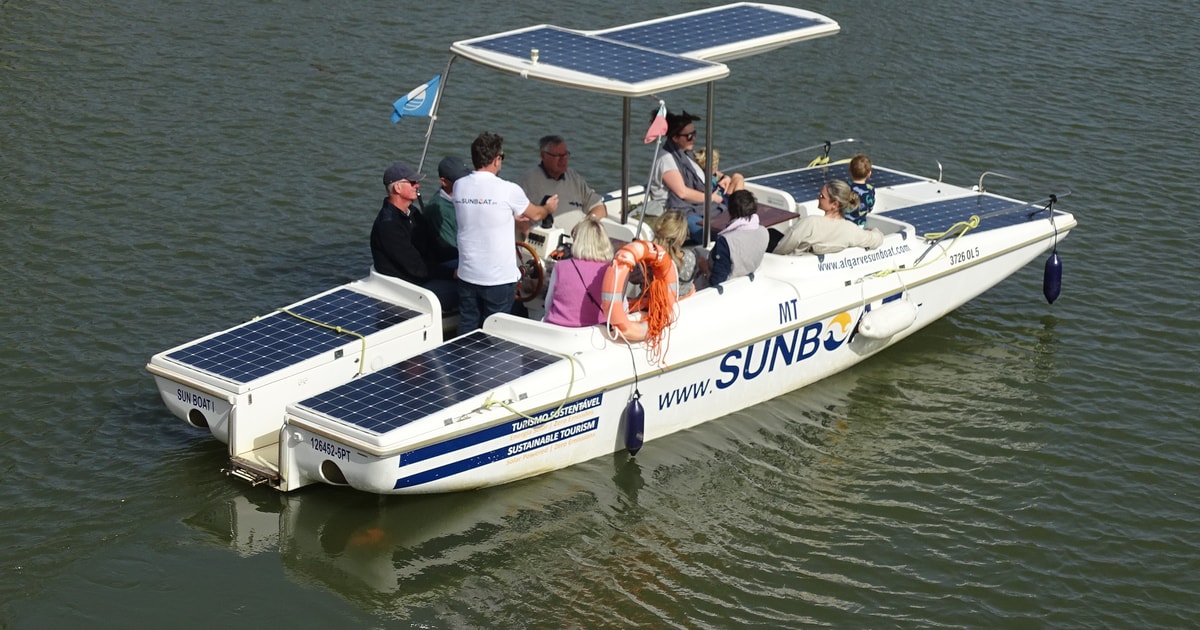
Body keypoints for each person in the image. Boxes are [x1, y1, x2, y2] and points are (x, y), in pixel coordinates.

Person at [454, 131, 558, 333]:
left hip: (467, 274)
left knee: (467, 327)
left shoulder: (460, 185)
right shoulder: (508, 190)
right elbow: (536, 214)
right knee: (495, 332)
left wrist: (508, 215)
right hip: (498, 280)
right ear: (496, 160)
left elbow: (479, 211)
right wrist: (548, 207)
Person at [644, 109, 744, 243]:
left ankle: (740, 231)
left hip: (702, 203)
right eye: (689, 136)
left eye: (694, 134)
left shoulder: (686, 154)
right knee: (710, 233)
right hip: (682, 210)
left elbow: (702, 172)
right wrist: (711, 198)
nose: (694, 138)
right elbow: (682, 193)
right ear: (675, 138)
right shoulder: (666, 159)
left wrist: (723, 177)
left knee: (737, 181)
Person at [370, 162, 458, 310]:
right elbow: (417, 268)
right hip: (410, 288)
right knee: (471, 289)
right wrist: (454, 274)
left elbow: (435, 246)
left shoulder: (412, 213)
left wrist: (464, 257)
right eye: (412, 183)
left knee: (471, 270)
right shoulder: (388, 225)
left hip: (425, 274)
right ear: (397, 188)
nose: (417, 186)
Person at [517, 135, 607, 234]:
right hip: (548, 245)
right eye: (558, 156)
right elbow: (516, 219)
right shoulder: (528, 181)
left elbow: (599, 208)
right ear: (543, 156)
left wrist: (586, 225)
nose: (563, 160)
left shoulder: (574, 178)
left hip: (580, 241)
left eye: (565, 155)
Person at [773, 179, 884, 255]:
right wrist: (874, 230)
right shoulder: (851, 229)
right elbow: (877, 239)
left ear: (834, 204)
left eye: (822, 196)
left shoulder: (810, 223)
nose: (817, 197)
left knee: (770, 233)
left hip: (794, 266)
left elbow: (782, 249)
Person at [542, 216, 614, 327]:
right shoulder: (612, 271)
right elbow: (621, 309)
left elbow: (548, 305)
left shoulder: (560, 267)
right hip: (593, 334)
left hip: (556, 330)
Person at [708, 190, 768, 286]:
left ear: (730, 211)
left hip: (729, 286)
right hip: (748, 279)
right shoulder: (764, 232)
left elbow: (717, 282)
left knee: (697, 253)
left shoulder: (725, 241)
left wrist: (703, 267)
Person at [423, 155, 472, 255]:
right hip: (449, 259)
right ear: (444, 182)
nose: (466, 183)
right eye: (459, 180)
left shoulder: (466, 198)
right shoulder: (438, 210)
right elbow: (450, 249)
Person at [652, 211, 700, 299]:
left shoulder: (650, 262)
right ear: (682, 237)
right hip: (685, 305)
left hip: (654, 308)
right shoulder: (691, 258)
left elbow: (633, 279)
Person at [845, 153, 875, 226]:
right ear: (869, 174)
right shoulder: (869, 189)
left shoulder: (845, 186)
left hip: (843, 223)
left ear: (850, 170)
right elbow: (870, 207)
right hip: (859, 224)